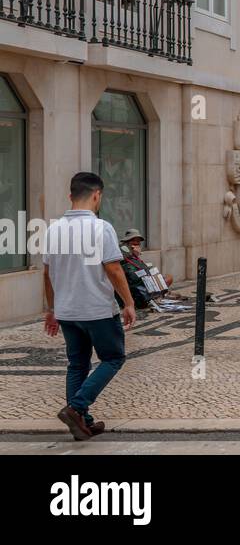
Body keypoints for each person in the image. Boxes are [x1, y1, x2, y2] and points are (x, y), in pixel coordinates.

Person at [42, 172, 136, 441]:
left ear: (70, 196)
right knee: (113, 357)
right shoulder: (101, 227)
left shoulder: (53, 229)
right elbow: (114, 268)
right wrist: (128, 303)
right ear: (97, 195)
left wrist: (52, 309)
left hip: (67, 311)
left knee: (77, 364)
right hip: (96, 309)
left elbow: (47, 273)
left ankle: (82, 423)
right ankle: (77, 408)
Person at [119, 229, 172, 307]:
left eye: (138, 242)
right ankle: (154, 296)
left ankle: (156, 295)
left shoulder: (135, 256)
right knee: (165, 280)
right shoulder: (124, 253)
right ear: (127, 242)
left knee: (168, 277)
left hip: (144, 280)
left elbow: (143, 269)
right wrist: (131, 254)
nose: (136, 243)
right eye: (134, 241)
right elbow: (133, 275)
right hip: (137, 284)